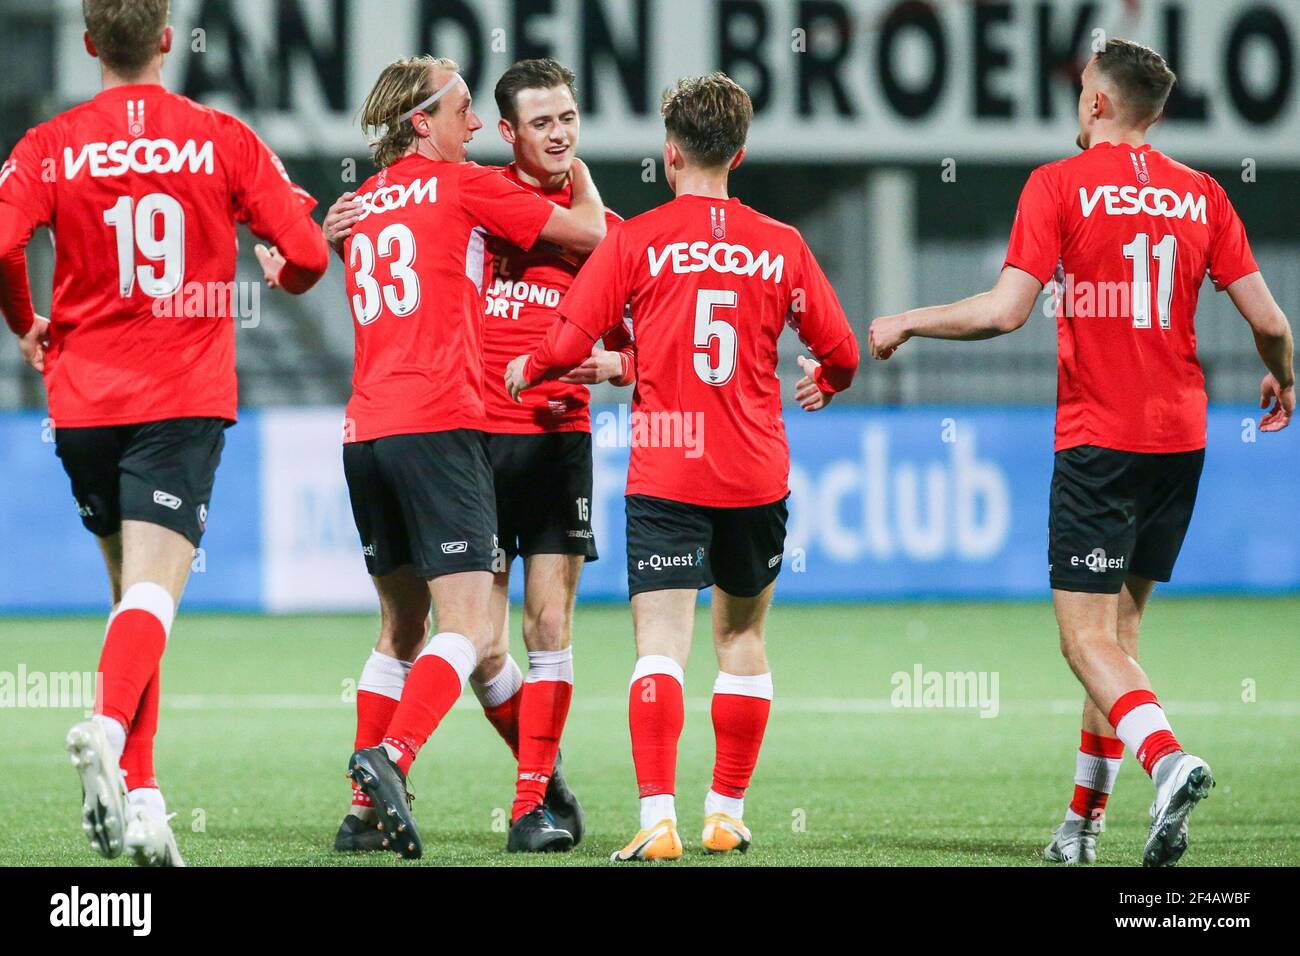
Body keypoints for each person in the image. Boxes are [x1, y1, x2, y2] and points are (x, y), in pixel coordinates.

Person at [868, 39, 1294, 867]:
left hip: (1102, 440)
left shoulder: (1057, 185)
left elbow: (1003, 312)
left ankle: (1166, 759)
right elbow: (1272, 323)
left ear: (1097, 103)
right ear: (1156, 113)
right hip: (1181, 437)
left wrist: (906, 320)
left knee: (1081, 641)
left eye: (1080, 93)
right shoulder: (1204, 195)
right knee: (1118, 642)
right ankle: (1083, 826)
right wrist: (1281, 380)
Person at [0, 0, 328, 867]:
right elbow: (310, 256)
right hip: (179, 396)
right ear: (166, 38)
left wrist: (24, 322)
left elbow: (1, 243)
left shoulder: (49, 143)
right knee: (153, 598)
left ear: (86, 45)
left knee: (130, 605)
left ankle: (145, 800)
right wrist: (280, 268)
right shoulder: (220, 137)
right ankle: (108, 729)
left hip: (80, 404)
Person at [506, 72, 859, 861]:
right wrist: (825, 381)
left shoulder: (637, 239)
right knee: (741, 641)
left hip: (668, 472)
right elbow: (842, 352)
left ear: (670, 154)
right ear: (739, 151)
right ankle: (724, 813)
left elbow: (570, 339)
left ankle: (658, 818)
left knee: (660, 649)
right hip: (754, 475)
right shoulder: (783, 245)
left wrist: (533, 367)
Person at [328, 55, 606, 859]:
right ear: (422, 122)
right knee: (471, 626)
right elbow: (591, 234)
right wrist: (582, 175)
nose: (474, 124)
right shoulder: (461, 186)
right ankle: (391, 757)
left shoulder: (365, 204)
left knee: (399, 627)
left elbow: (334, 264)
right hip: (443, 425)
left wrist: (316, 235)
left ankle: (361, 816)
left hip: (363, 435)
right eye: (461, 109)